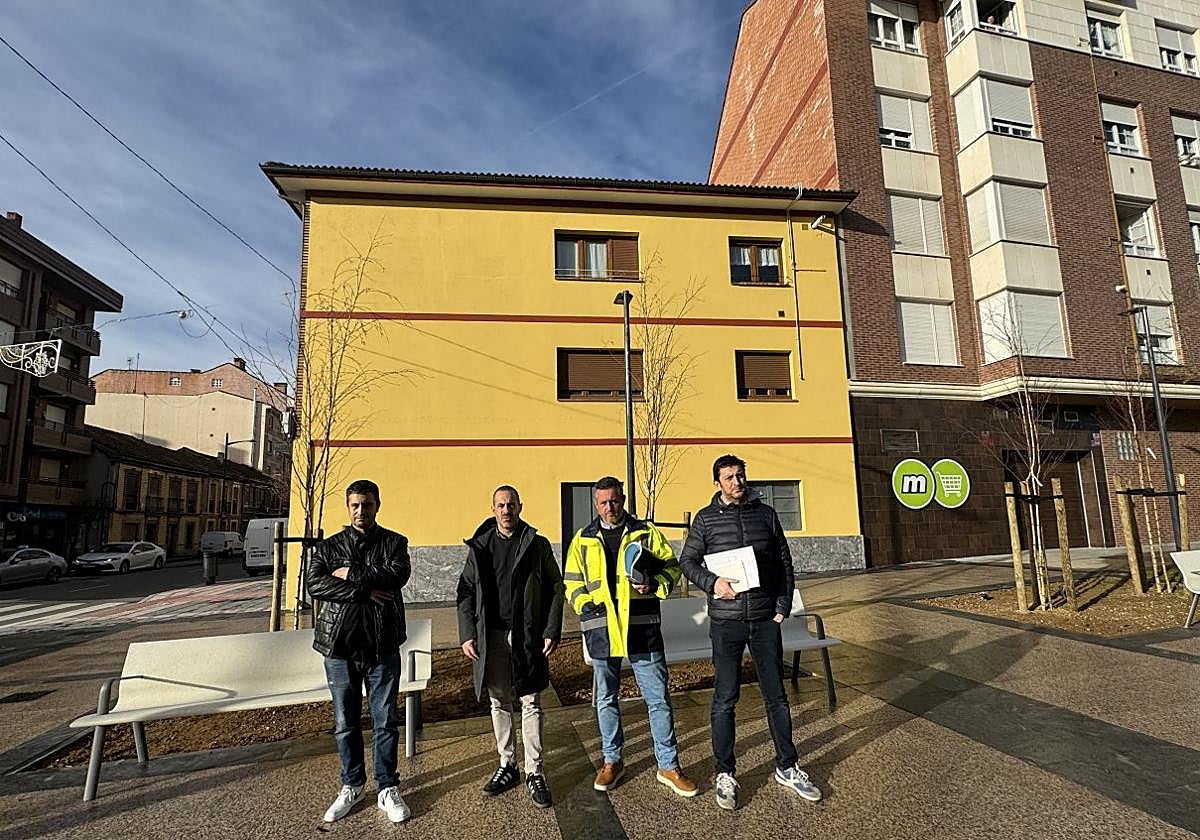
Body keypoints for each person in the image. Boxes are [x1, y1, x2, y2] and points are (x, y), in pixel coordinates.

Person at [678, 455, 821, 811]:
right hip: (726, 622)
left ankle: (787, 766)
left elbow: (784, 563)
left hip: (763, 620)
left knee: (777, 697)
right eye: (728, 477)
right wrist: (714, 584)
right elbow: (687, 562)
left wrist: (782, 606)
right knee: (725, 698)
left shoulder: (767, 515)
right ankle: (725, 772)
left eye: (740, 475)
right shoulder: (706, 519)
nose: (736, 482)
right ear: (717, 483)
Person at [564, 476, 697, 798]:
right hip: (602, 630)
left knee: (658, 700)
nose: (610, 507)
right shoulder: (582, 538)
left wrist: (653, 585)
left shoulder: (646, 533)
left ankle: (668, 765)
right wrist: (584, 604)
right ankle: (612, 761)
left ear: (623, 499)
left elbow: (672, 568)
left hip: (642, 628)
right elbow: (570, 581)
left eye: (615, 500)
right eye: (603, 502)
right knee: (606, 699)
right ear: (595, 504)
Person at [306, 478, 413, 824]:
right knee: (345, 723)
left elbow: (396, 575)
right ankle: (352, 785)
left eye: (366, 504)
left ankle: (387, 787)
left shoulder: (395, 542)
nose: (360, 511)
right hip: (339, 649)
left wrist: (349, 573)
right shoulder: (330, 546)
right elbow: (315, 582)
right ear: (347, 506)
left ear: (377, 505)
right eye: (354, 505)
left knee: (385, 722)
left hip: (382, 648)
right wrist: (361, 592)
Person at [457, 485, 564, 809]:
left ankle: (534, 771)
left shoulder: (536, 545)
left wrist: (551, 629)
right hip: (491, 637)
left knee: (531, 701)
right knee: (499, 701)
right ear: (493, 509)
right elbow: (465, 592)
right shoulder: (480, 548)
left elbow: (555, 589)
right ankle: (508, 765)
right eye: (501, 505)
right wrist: (466, 633)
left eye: (511, 505)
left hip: (526, 635)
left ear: (520, 506)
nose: (506, 510)